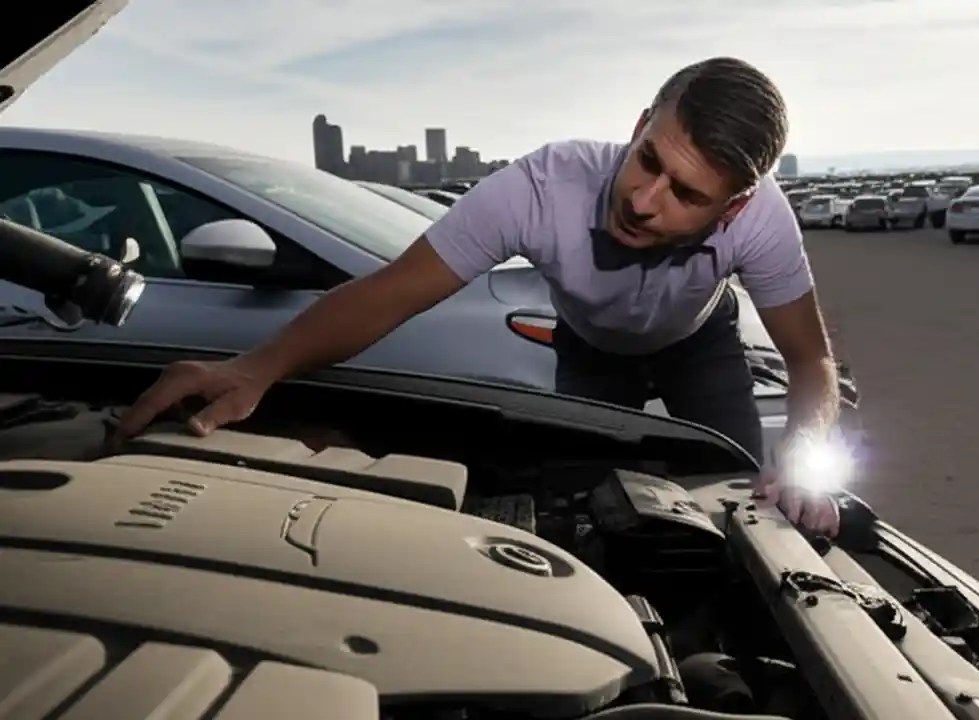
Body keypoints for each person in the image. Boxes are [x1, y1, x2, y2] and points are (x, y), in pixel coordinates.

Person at [114, 56, 847, 536]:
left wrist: (809, 446)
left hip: (699, 346)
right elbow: (390, 292)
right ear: (637, 126)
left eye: (686, 194)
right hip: (591, 352)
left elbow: (810, 363)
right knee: (586, 510)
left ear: (733, 209)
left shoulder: (767, 222)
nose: (645, 200)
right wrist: (258, 367)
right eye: (647, 158)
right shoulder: (537, 189)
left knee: (748, 511)